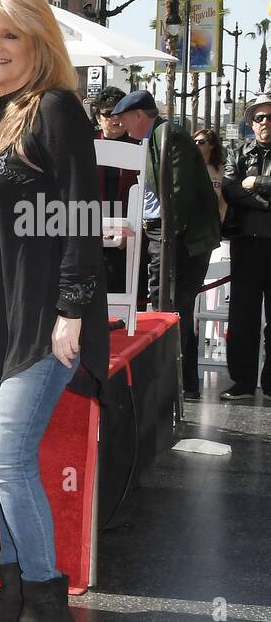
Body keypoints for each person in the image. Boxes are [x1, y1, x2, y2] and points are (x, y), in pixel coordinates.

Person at [0, 0, 108, 622]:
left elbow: (82, 214)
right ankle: (18, 600)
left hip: (47, 319)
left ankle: (48, 604)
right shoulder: (7, 114)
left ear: (39, 43)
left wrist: (71, 311)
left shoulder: (56, 108)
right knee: (5, 462)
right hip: (5, 318)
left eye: (9, 36)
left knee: (6, 457)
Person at [111, 89, 220, 401]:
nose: (122, 126)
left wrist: (168, 236)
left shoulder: (166, 134)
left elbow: (177, 191)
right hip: (166, 233)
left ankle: (173, 383)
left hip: (176, 236)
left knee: (170, 307)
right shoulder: (154, 138)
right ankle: (182, 383)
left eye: (124, 119)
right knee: (171, 306)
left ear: (139, 116)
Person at [221, 91, 271, 399]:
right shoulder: (237, 151)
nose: (266, 122)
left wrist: (257, 184)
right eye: (260, 117)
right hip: (246, 242)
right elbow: (229, 189)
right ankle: (241, 381)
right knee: (243, 316)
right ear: (250, 122)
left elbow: (242, 188)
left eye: (270, 116)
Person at [90, 87, 143, 302]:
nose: (115, 118)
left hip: (128, 233)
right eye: (108, 113)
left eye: (121, 113)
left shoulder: (139, 146)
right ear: (97, 116)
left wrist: (130, 230)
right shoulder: (86, 144)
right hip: (90, 227)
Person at [193, 128, 226, 224]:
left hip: (213, 221)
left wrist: (221, 218)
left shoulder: (221, 169)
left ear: (211, 145)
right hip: (193, 220)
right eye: (194, 141)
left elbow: (223, 197)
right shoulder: (188, 166)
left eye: (201, 142)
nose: (196, 144)